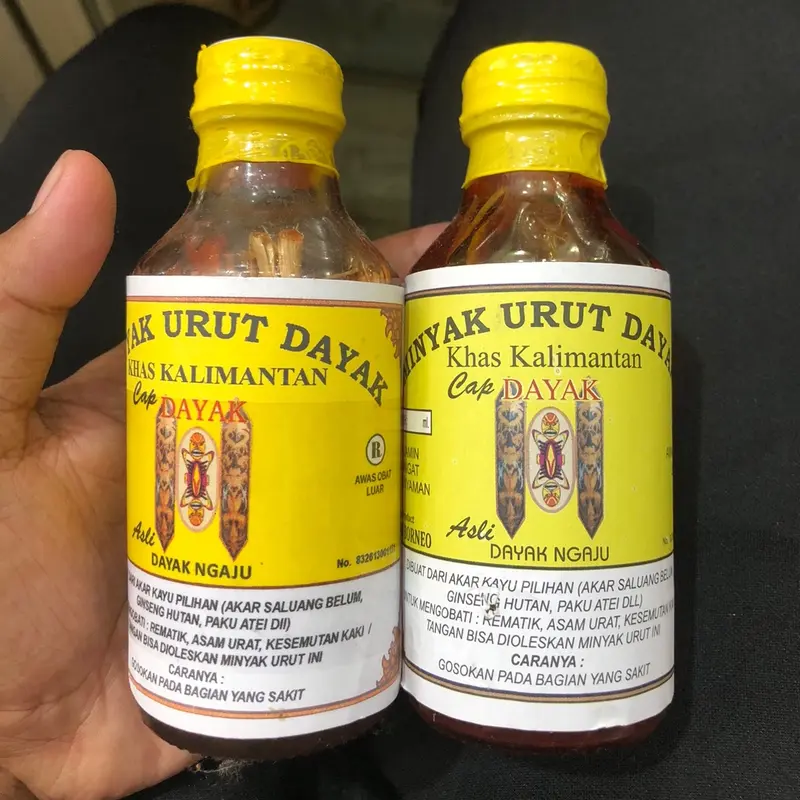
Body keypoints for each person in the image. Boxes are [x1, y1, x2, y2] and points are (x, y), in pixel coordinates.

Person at [0, 2, 798, 799]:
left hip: (464, 661)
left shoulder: (388, 279)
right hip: (210, 660)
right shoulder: (244, 273)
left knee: (150, 38)